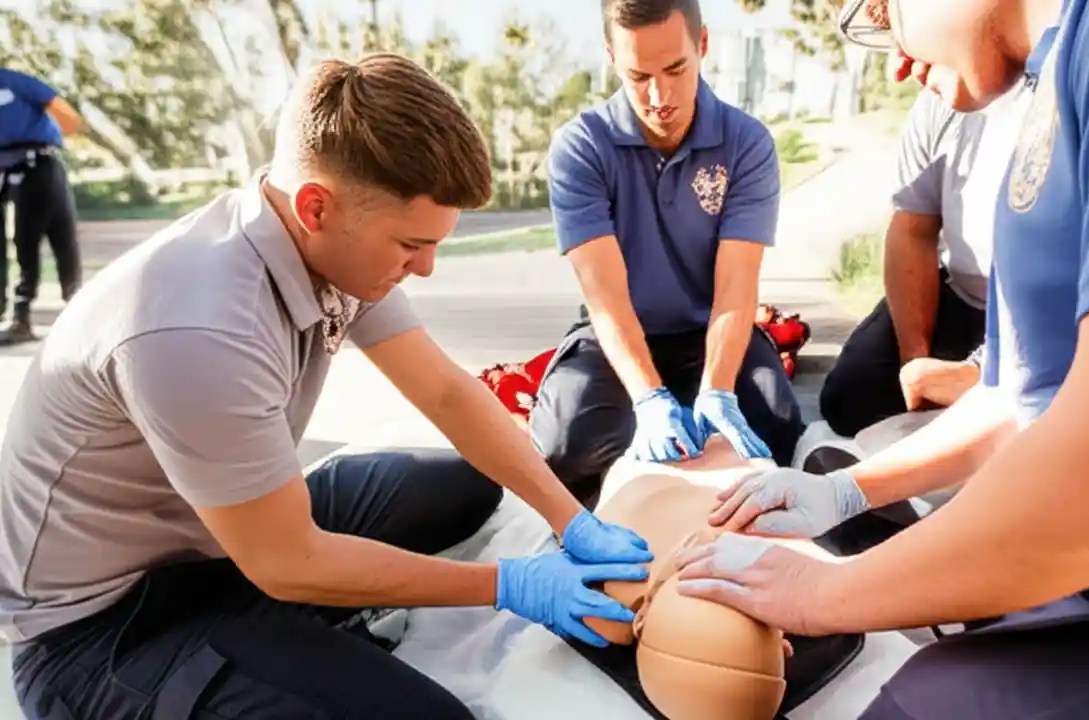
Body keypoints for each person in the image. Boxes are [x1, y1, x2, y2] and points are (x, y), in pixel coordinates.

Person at [1, 54, 655, 720]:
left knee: (465, 486)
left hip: (216, 537)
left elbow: (447, 393)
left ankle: (286, 638)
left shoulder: (327, 244)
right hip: (106, 628)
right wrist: (508, 585)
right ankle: (263, 649)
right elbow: (284, 563)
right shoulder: (195, 327)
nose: (424, 269)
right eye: (409, 245)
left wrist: (569, 518)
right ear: (316, 206)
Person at [674, 0, 1089, 718]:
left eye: (882, 10)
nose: (892, 57)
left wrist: (827, 594)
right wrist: (850, 492)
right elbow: (1021, 395)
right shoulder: (1055, 79)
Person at [529, 0, 805, 507]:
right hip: (618, 334)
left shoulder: (747, 144)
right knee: (564, 450)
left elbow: (735, 289)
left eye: (675, 69)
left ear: (701, 46)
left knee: (778, 429)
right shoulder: (580, 148)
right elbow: (606, 298)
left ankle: (698, 406)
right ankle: (661, 411)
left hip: (711, 333)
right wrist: (649, 399)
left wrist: (718, 389)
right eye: (639, 75)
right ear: (612, 58)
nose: (659, 96)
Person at [819, 82, 1028, 438]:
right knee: (850, 399)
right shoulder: (938, 99)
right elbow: (913, 231)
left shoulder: (1056, 92)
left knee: (1029, 418)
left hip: (1040, 313)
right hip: (963, 295)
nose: (905, 68)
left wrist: (983, 370)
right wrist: (915, 364)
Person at [0, 68, 83, 345]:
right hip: (5, 166)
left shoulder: (16, 83)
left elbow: (70, 121)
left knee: (51, 235)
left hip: (38, 163)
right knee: (21, 240)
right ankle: (18, 317)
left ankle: (75, 308)